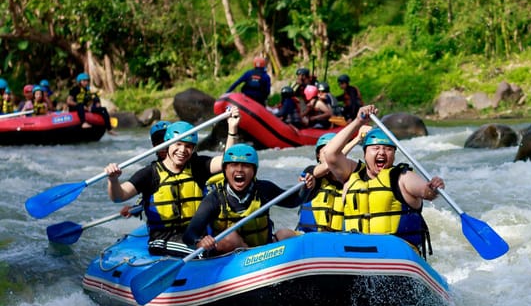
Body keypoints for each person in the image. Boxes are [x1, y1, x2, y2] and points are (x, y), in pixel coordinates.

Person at [104, 108, 242, 256]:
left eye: (188, 146)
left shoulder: (197, 166)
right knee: (204, 250)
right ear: (168, 144)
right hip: (164, 238)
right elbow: (119, 196)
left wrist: (232, 128)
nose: (183, 150)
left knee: (233, 238)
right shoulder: (150, 173)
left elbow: (228, 162)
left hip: (195, 233)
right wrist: (113, 180)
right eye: (178, 144)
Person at [323, 104, 443, 257]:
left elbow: (425, 191)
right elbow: (330, 154)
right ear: (365, 153)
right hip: (356, 253)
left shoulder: (402, 177)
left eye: (387, 149)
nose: (381, 152)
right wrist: (358, 122)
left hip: (396, 255)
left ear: (393, 154)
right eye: (375, 148)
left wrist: (432, 187)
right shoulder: (350, 175)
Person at [182, 144, 311, 255]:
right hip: (230, 257)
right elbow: (190, 234)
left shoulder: (264, 189)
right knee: (230, 237)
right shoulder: (214, 198)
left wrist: (305, 187)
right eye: (234, 165)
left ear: (254, 171)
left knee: (285, 234)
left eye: (246, 166)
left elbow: (293, 201)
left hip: (263, 251)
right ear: (225, 170)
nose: (239, 169)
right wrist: (200, 241)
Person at [297, 127, 370, 233]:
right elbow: (331, 161)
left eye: (334, 151)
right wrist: (357, 139)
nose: (329, 155)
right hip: (309, 236)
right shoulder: (312, 173)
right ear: (318, 155)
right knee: (283, 234)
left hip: (337, 239)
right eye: (325, 152)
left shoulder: (352, 179)